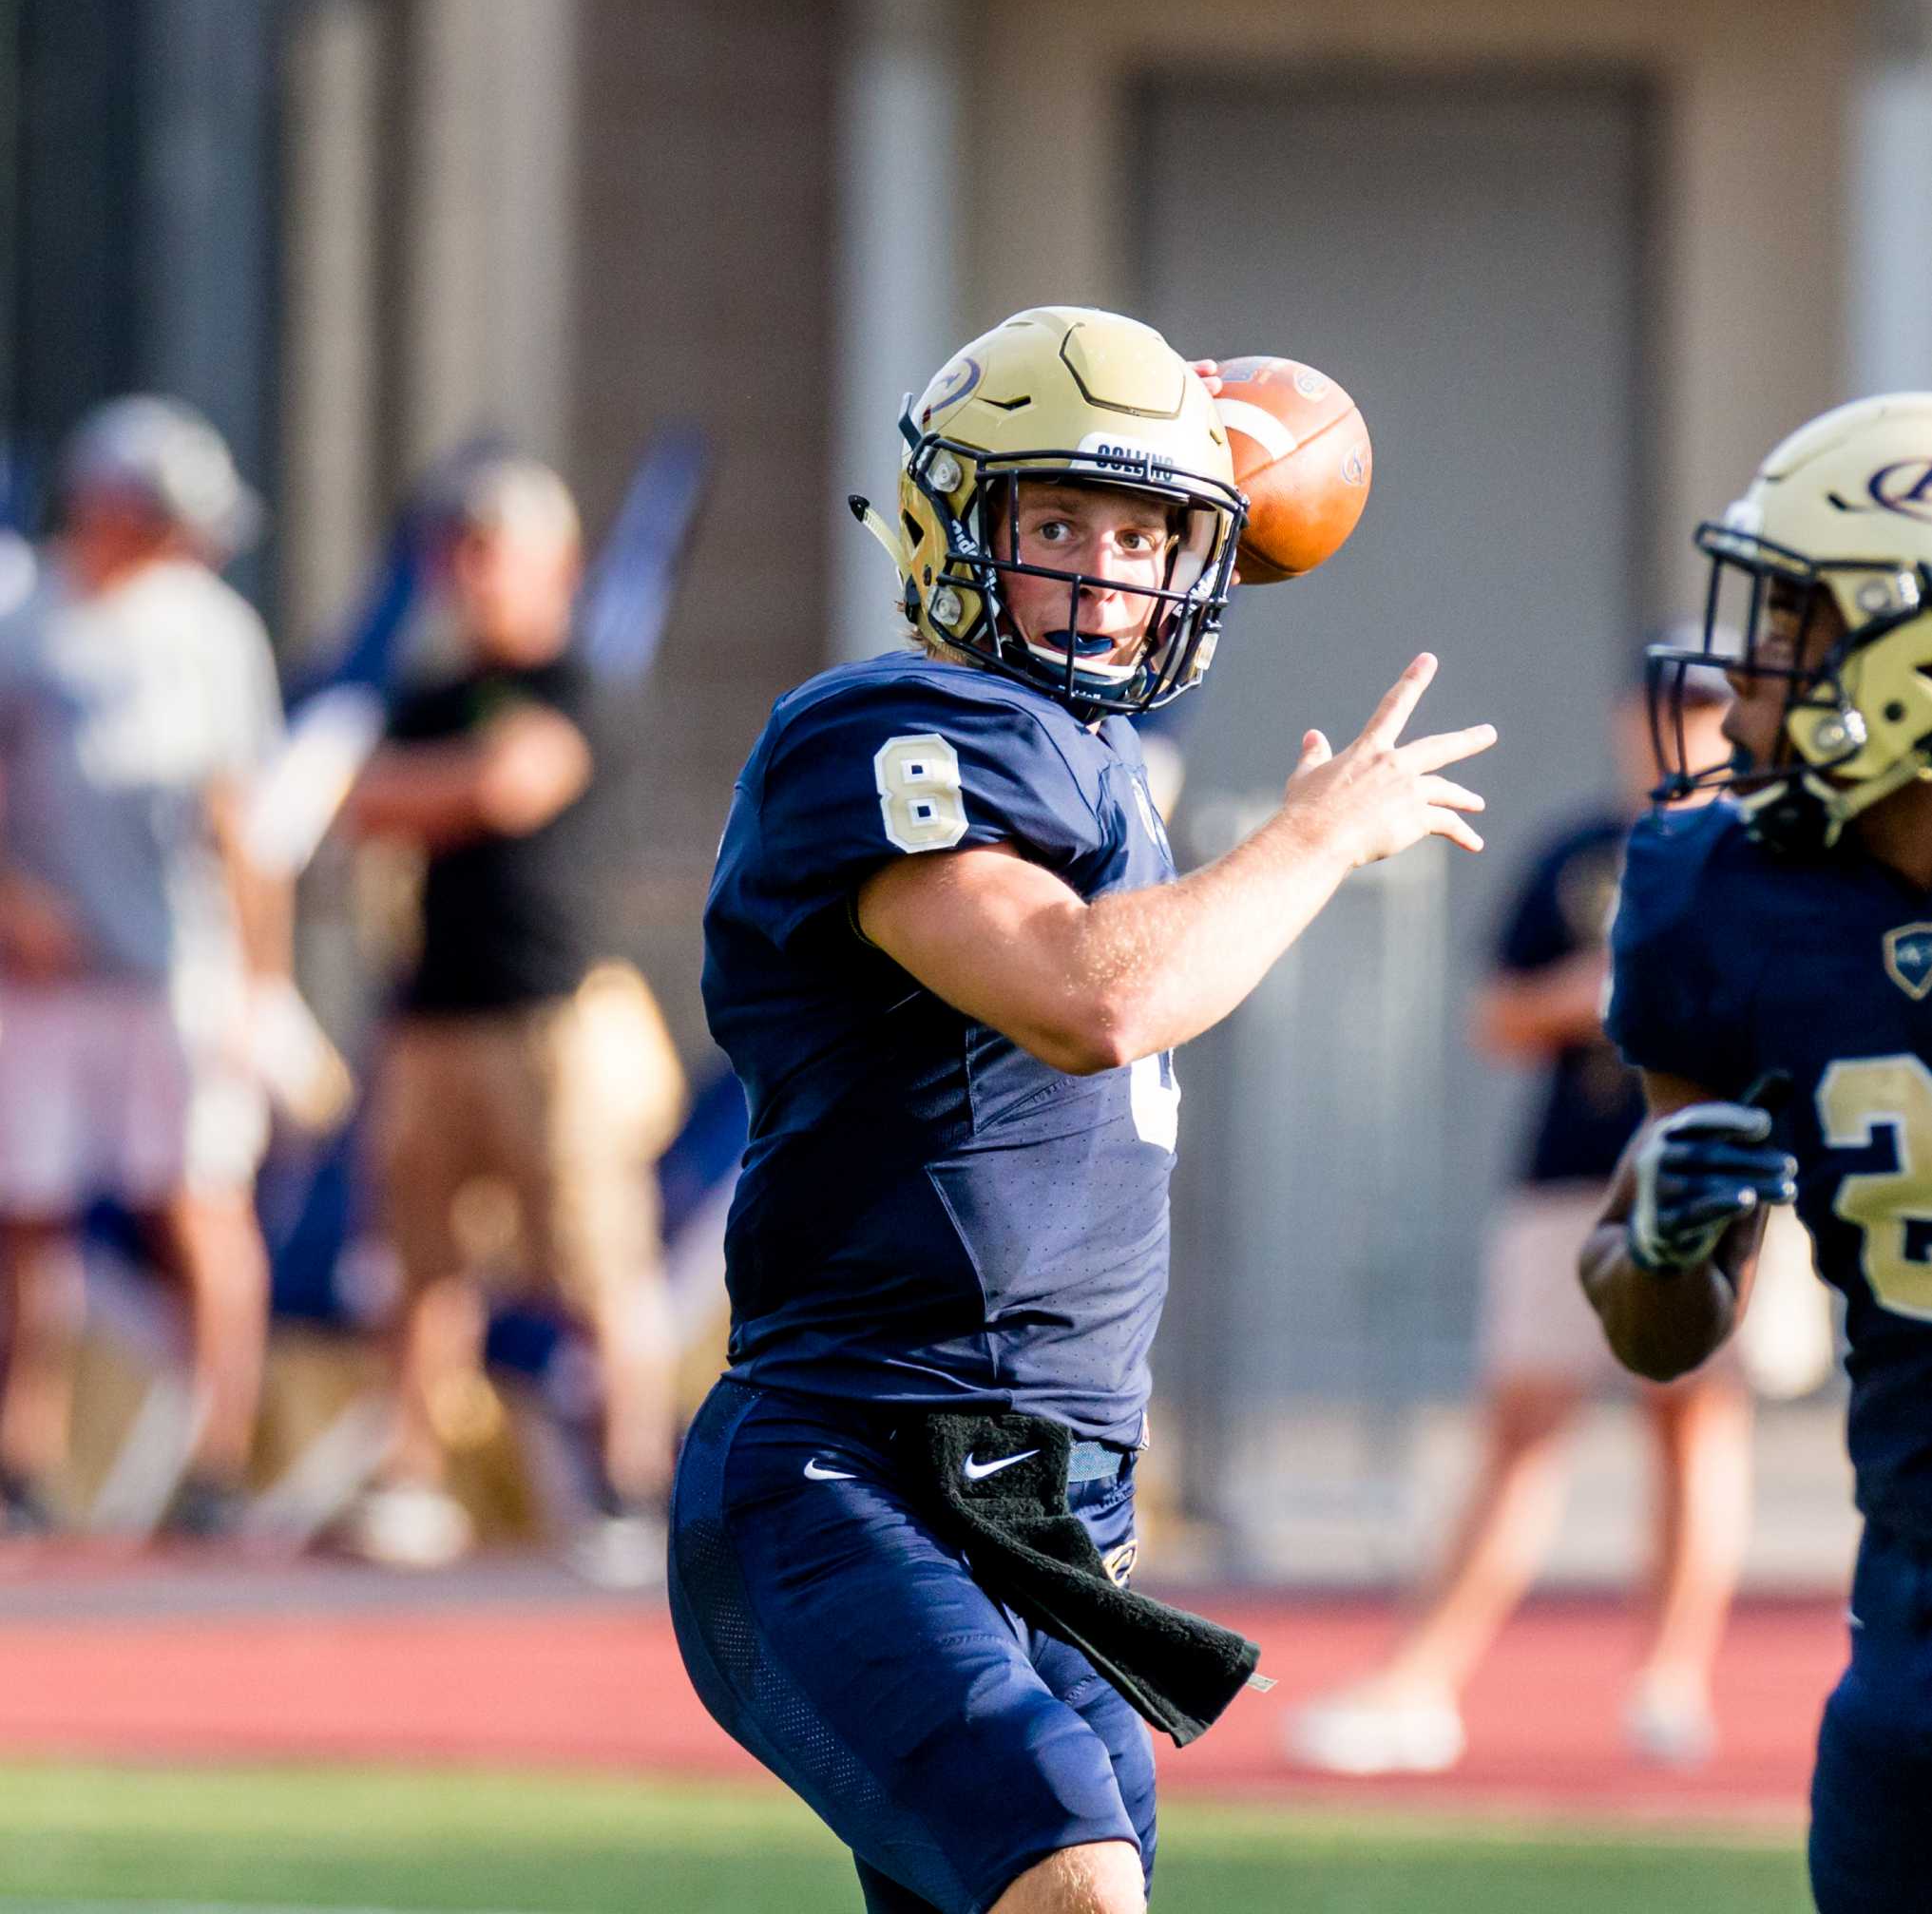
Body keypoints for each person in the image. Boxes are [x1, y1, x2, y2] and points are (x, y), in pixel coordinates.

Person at [669, 305, 1497, 1914]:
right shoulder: (886, 729)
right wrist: (1314, 842)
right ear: (950, 522)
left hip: (1054, 1509)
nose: (1105, 572)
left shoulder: (1092, 759)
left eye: (1143, 530)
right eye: (1057, 522)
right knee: (1070, 1877)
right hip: (853, 1470)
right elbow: (1088, 995)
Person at [1578, 392, 1932, 1914]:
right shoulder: (1719, 897)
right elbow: (1661, 1326)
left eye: (1792, 619)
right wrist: (1655, 1239)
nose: (1735, 679)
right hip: (1915, 1651)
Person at [1290, 657, 1750, 1774]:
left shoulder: (1772, 854)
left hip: (1717, 1165)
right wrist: (1597, 991)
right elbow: (1495, 1015)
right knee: (1523, 1422)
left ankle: (1670, 1684)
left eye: (1704, 708)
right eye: (1664, 706)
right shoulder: (1576, 853)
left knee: (1693, 1418)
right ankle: (1421, 1680)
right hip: (1567, 1168)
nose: (1681, 729)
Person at [339, 454, 685, 1580]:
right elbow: (360, 802)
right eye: (461, 549)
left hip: (555, 1016)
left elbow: (505, 784)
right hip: (433, 1015)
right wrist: (425, 783)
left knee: (596, 1260)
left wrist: (422, 786)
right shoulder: (429, 690)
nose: (471, 572)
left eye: (495, 549)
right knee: (422, 1262)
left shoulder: (585, 680)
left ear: (556, 564)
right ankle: (410, 1477)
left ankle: (627, 1483)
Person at [0, 394, 286, 1539]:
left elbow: (244, 822)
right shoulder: (24, 613)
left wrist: (261, 986)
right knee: (29, 1219)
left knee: (202, 1206)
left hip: (181, 966)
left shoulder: (213, 630)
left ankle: (220, 1461)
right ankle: (22, 1461)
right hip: (45, 979)